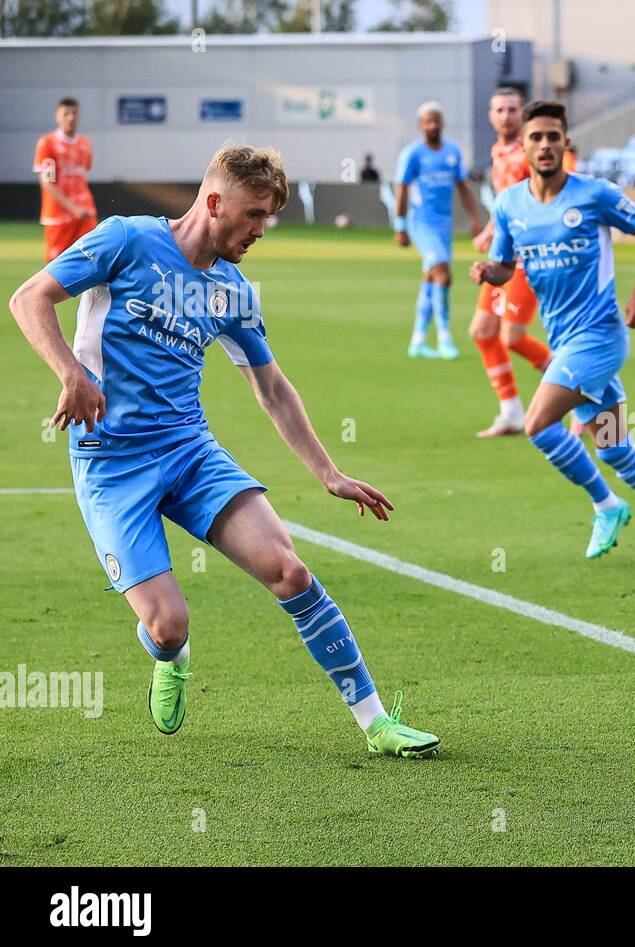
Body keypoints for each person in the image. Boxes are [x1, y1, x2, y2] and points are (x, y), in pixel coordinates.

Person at [7, 145, 439, 756]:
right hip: (111, 462)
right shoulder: (125, 240)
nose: (262, 230)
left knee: (290, 570)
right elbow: (29, 298)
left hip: (189, 452)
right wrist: (71, 374)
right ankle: (170, 653)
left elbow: (272, 389)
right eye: (255, 215)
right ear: (215, 203)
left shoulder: (232, 291)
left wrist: (329, 472)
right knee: (168, 623)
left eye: (269, 217)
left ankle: (376, 724)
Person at [470, 101, 635, 562]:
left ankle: (606, 505)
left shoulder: (595, 195)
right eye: (536, 138)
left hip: (600, 336)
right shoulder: (509, 205)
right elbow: (507, 267)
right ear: (522, 147)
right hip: (563, 338)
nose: (545, 145)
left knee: (539, 423)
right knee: (614, 447)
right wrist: (489, 272)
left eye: (553, 137)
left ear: (566, 144)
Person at [469, 87, 554, 438]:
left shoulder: (530, 152)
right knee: (482, 331)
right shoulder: (498, 151)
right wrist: (491, 229)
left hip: (530, 258)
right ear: (491, 115)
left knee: (514, 336)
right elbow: (506, 201)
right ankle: (511, 413)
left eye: (512, 110)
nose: (505, 116)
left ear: (523, 114)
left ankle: (581, 392)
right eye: (499, 110)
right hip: (503, 256)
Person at [394, 101, 482, 359]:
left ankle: (418, 340)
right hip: (421, 222)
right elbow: (401, 188)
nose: (432, 124)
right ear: (421, 124)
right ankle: (445, 338)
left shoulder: (453, 151)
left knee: (432, 278)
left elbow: (463, 187)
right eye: (427, 120)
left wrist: (476, 219)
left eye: (436, 120)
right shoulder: (413, 154)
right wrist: (400, 226)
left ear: (442, 123)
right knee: (444, 275)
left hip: (444, 224)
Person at [34, 97, 96, 263]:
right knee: (57, 266)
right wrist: (72, 208)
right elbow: (47, 182)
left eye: (74, 113)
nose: (71, 117)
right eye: (66, 113)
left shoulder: (85, 144)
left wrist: (81, 207)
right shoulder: (48, 144)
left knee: (91, 261)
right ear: (58, 116)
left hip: (85, 212)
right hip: (59, 215)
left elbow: (83, 175)